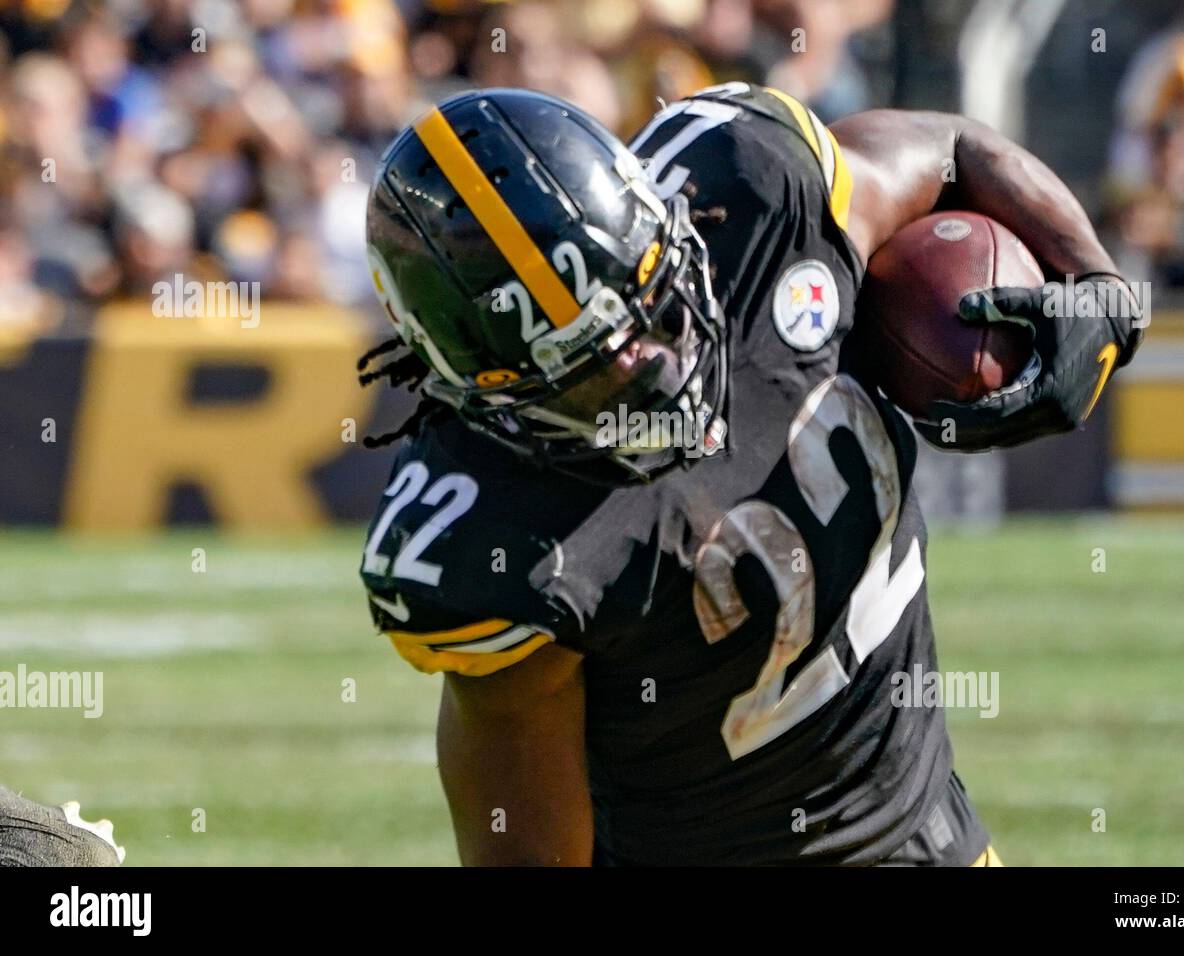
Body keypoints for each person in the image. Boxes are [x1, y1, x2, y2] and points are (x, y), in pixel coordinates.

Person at [357, 82, 1143, 865]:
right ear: (479, 393)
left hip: (927, 827)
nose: (644, 366)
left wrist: (1099, 287)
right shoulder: (498, 538)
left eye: (644, 303)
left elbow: (950, 151)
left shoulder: (757, 189)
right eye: (586, 370)